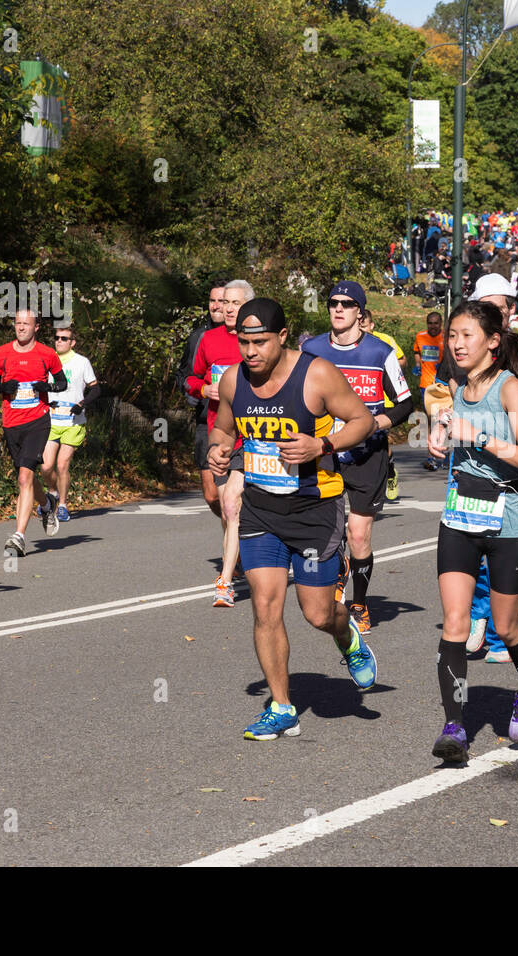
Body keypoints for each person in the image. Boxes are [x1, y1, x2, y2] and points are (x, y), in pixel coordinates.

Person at [207, 297, 378, 741]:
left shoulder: (315, 374)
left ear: (282, 337)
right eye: (243, 342)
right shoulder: (232, 380)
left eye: (259, 342)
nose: (250, 352)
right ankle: (283, 707)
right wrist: (218, 448)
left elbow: (363, 420)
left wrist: (323, 446)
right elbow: (223, 428)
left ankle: (348, 639)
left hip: (314, 510)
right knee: (265, 606)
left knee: (317, 614)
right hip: (261, 509)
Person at [427, 300, 518, 762]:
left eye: (467, 336)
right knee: (455, 624)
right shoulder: (456, 386)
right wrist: (442, 441)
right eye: (452, 335)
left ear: (493, 342)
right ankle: (454, 727)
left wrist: (473, 434)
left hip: (507, 521)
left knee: (505, 625)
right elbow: (453, 430)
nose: (456, 343)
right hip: (459, 517)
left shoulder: (509, 387)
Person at [302, 281, 412, 633]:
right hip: (324, 453)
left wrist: (374, 424)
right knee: (328, 531)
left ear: (360, 313)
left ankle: (360, 603)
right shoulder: (311, 349)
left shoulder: (380, 353)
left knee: (359, 534)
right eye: (333, 302)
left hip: (367, 454)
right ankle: (338, 570)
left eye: (347, 304)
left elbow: (407, 404)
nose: (338, 309)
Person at [187, 279, 253, 607]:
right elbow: (191, 377)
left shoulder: (255, 343)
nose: (227, 308)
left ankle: (225, 581)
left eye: (235, 303)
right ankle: (238, 549)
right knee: (223, 503)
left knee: (231, 503)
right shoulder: (208, 340)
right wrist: (204, 390)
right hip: (220, 433)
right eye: (224, 302)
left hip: (253, 434)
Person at [0, 308, 68, 557]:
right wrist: (2, 386)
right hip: (11, 423)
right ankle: (46, 504)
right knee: (28, 476)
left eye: (26, 324)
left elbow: (62, 382)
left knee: (24, 478)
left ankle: (18, 537)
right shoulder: (1, 353)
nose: (21, 327)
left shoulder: (47, 354)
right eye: (18, 323)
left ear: (36, 328)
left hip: (37, 421)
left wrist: (48, 386)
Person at [40, 324, 100, 521]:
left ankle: (63, 505)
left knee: (62, 464)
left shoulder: (82, 362)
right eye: (57, 337)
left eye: (64, 338)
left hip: (73, 422)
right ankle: (53, 493)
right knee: (46, 467)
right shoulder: (48, 360)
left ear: (72, 342)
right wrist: (47, 401)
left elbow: (96, 389)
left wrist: (82, 404)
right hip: (51, 420)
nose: (59, 341)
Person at [179, 280, 228, 519]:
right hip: (206, 418)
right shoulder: (199, 337)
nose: (217, 306)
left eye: (223, 300)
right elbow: (185, 376)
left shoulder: (245, 336)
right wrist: (201, 391)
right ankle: (235, 525)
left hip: (240, 420)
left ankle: (240, 540)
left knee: (236, 492)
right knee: (211, 495)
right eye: (213, 300)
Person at [359, 308, 408, 500]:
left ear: (371, 325)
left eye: (364, 324)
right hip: (359, 401)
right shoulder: (349, 343)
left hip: (384, 400)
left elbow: (402, 360)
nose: (361, 328)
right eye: (358, 324)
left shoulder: (384, 341)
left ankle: (389, 472)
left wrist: (387, 366)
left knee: (380, 440)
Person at [414, 312, 445, 471]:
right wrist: (418, 365)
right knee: (431, 420)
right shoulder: (420, 336)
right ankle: (432, 456)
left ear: (441, 324)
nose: (433, 326)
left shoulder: (447, 338)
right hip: (426, 385)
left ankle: (441, 452)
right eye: (430, 323)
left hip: (442, 386)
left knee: (443, 420)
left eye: (436, 323)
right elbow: (416, 351)